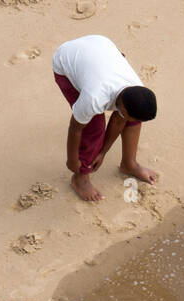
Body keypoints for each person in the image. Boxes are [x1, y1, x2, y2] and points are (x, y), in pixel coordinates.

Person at [52, 34, 158, 202]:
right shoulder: (94, 98)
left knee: (134, 118)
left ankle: (129, 164)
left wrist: (103, 152)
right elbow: (76, 128)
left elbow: (119, 119)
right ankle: (80, 179)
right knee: (94, 127)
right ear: (121, 107)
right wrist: (72, 160)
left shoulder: (136, 88)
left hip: (100, 45)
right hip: (65, 61)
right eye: (124, 113)